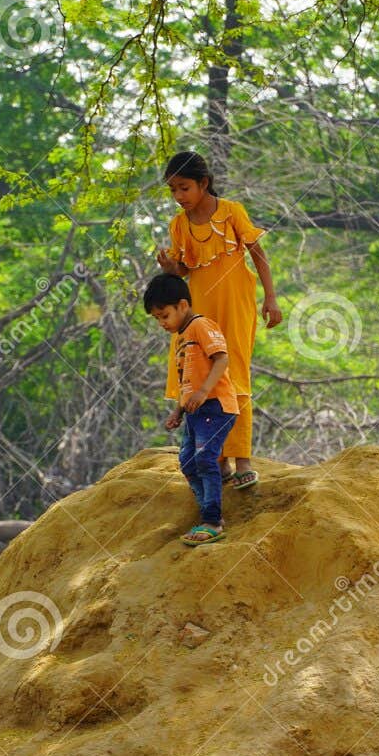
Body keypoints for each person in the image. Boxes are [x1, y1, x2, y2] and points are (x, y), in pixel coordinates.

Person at [155, 151, 280, 490]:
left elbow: (259, 256)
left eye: (184, 188)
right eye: (173, 191)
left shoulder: (231, 213)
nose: (179, 197)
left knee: (233, 373)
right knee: (197, 371)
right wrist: (171, 270)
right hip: (199, 308)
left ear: (203, 184)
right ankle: (217, 459)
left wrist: (270, 298)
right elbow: (185, 268)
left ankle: (243, 461)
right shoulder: (178, 225)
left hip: (236, 304)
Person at [144, 273, 238, 546]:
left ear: (182, 305)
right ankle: (207, 506)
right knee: (187, 461)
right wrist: (179, 411)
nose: (162, 323)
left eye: (164, 315)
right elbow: (187, 379)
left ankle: (213, 521)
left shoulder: (201, 326)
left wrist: (204, 391)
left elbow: (221, 358)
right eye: (157, 319)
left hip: (217, 405)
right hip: (196, 410)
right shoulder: (181, 337)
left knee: (204, 459)